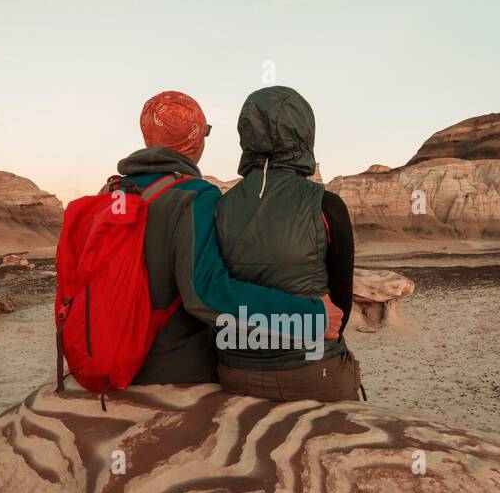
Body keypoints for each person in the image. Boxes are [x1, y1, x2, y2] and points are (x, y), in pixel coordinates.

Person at [112, 90, 342, 385]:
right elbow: (207, 294)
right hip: (172, 368)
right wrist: (311, 319)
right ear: (195, 140)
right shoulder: (195, 196)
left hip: (113, 353)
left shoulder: (113, 193)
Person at [212, 86, 360, 401]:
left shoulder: (221, 206)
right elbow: (342, 309)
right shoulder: (326, 204)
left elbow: (217, 289)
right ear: (305, 132)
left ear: (246, 134)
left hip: (234, 369)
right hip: (311, 370)